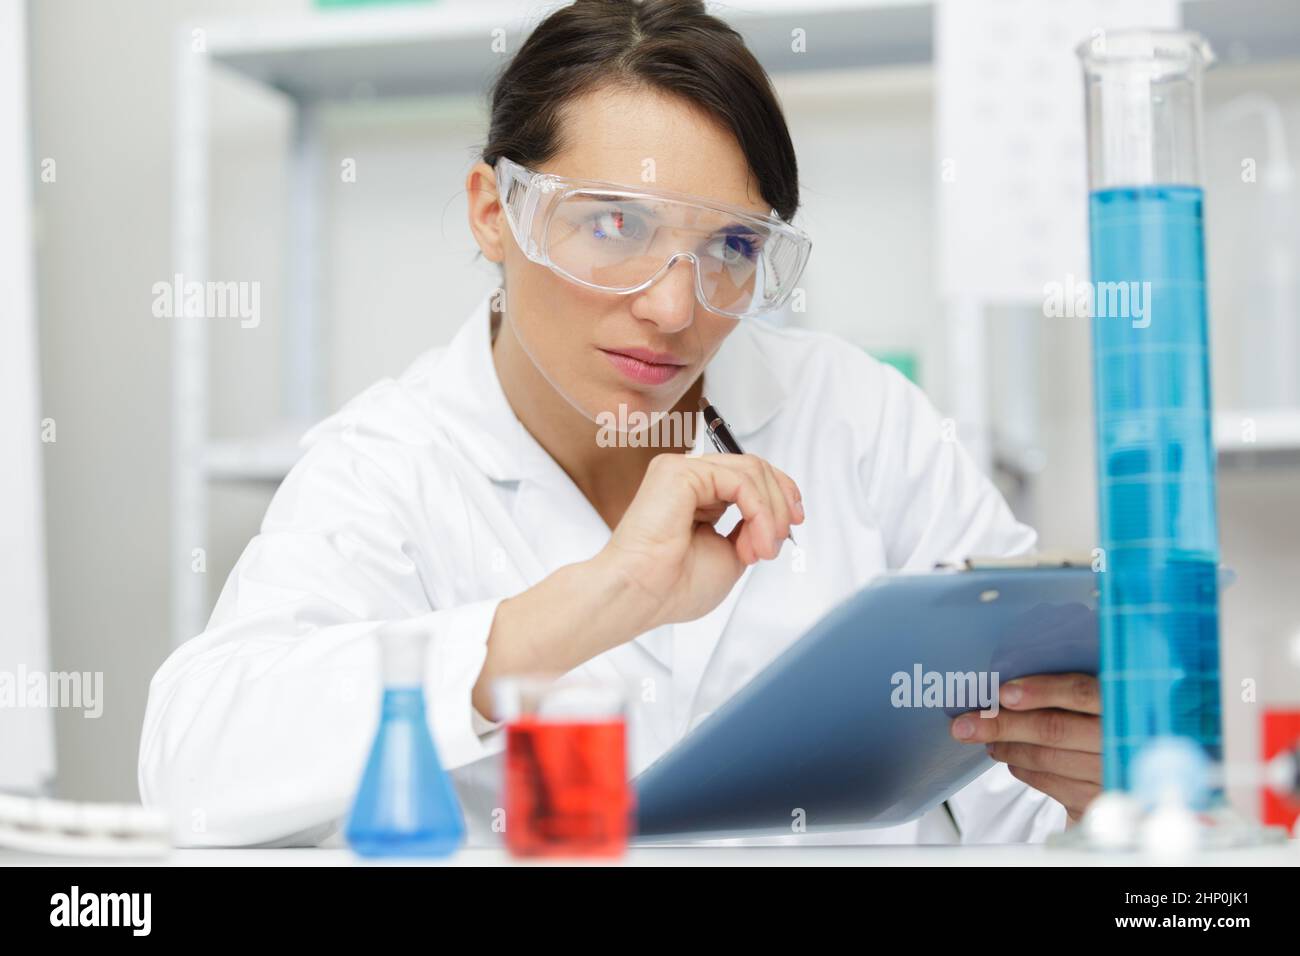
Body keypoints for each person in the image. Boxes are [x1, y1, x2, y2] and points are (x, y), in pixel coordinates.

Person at [139, 0, 1101, 848]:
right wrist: (598, 599)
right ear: (493, 212)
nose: (677, 309)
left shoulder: (861, 419)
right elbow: (196, 770)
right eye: (614, 227)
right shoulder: (390, 464)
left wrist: (1100, 791)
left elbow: (1018, 806)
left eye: (729, 246)